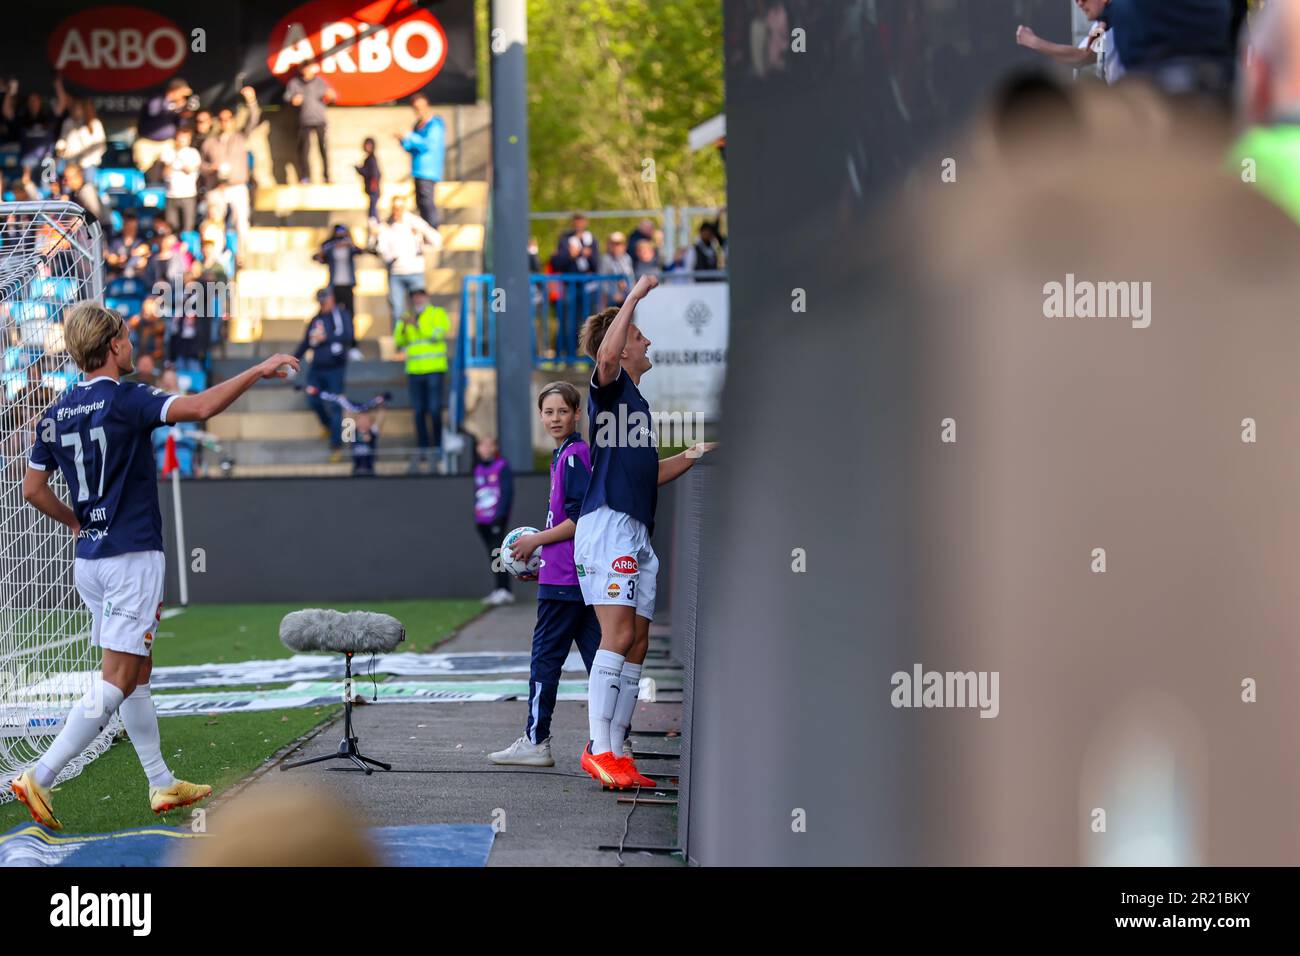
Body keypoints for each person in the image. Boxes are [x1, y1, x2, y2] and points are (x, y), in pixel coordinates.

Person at [10, 301, 299, 830]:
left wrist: (75, 522)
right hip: (131, 557)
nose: (133, 345)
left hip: (91, 560)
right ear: (115, 345)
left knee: (137, 674)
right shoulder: (129, 398)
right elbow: (201, 408)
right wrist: (258, 370)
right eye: (127, 338)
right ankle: (41, 775)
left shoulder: (55, 412)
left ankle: (161, 782)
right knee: (119, 679)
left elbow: (32, 489)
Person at [573, 275, 716, 789]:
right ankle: (599, 748)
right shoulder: (610, 388)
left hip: (633, 527)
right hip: (608, 525)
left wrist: (700, 453)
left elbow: (647, 472)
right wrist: (633, 296)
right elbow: (605, 360)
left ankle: (616, 748)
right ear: (620, 344)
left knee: (636, 642)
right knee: (618, 635)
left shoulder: (635, 403)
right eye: (639, 334)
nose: (647, 341)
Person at [489, 382, 601, 766]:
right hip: (569, 575)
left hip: (567, 581)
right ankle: (614, 741)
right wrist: (541, 563)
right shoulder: (565, 455)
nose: (555, 418)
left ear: (577, 414)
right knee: (600, 662)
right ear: (540, 416)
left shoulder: (574, 456)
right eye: (548, 412)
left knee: (544, 659)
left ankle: (537, 740)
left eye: (563, 411)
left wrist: (536, 542)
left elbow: (579, 520)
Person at [293, 288, 356, 460]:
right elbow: (306, 342)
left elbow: (348, 336)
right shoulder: (316, 319)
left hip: (335, 368)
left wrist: (326, 338)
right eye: (320, 302)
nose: (323, 305)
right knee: (312, 399)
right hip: (317, 368)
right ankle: (328, 425)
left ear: (332, 299)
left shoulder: (341, 315)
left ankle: (336, 445)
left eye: (325, 300)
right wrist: (292, 360)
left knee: (336, 405)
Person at [201, 86, 261, 266]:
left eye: (228, 119)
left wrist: (251, 101)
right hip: (216, 187)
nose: (225, 122)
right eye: (222, 119)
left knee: (241, 221)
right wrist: (211, 168)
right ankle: (214, 257)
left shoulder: (239, 137)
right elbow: (201, 166)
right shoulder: (210, 142)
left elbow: (254, 119)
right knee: (214, 223)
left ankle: (242, 255)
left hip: (236, 185)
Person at [393, 288, 450, 473]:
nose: (417, 300)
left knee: (434, 409)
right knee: (418, 411)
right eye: (415, 298)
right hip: (415, 371)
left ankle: (438, 446)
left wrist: (417, 325)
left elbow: (437, 335)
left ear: (427, 297)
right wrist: (403, 326)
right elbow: (399, 342)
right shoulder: (406, 316)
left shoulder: (437, 313)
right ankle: (424, 448)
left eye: (420, 297)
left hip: (434, 369)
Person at [1016, 0, 1124, 85]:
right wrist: (1035, 43)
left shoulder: (1132, 13)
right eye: (1076, 0)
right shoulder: (1102, 25)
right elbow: (1083, 56)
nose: (1079, 4)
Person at [377, 195, 441, 327]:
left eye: (400, 208)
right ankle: (400, 342)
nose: (397, 211)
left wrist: (422, 239)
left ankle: (422, 337)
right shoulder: (387, 225)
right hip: (396, 273)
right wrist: (391, 256)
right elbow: (381, 249)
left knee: (421, 309)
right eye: (395, 208)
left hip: (415, 270)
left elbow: (436, 239)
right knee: (397, 311)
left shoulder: (414, 222)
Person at [473, 436, 514, 606]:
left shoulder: (502, 466)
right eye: (481, 444)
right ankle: (498, 589)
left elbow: (507, 492)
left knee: (498, 553)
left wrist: (501, 515)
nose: (484, 448)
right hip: (482, 519)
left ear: (494, 447)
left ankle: (504, 589)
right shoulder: (478, 469)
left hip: (496, 518)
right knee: (492, 554)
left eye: (488, 444)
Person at [285, 61, 337, 184]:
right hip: (304, 121)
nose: (306, 72)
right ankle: (305, 177)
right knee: (304, 150)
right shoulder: (295, 83)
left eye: (308, 69)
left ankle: (326, 176)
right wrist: (293, 100)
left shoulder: (319, 82)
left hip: (319, 120)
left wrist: (331, 96)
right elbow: (286, 98)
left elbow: (332, 97)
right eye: (304, 69)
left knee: (323, 149)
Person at [398, 94, 445, 227]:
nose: (419, 111)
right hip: (417, 171)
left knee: (427, 204)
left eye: (421, 107)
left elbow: (427, 145)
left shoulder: (435, 125)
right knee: (421, 205)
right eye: (416, 108)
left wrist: (410, 136)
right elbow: (412, 148)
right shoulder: (417, 126)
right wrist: (403, 140)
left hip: (428, 172)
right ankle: (426, 236)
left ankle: (433, 234)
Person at [135, 77, 195, 182]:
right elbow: (153, 112)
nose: (183, 97)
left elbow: (181, 125)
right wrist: (172, 106)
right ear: (175, 90)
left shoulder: (177, 105)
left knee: (168, 169)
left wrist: (183, 114)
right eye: (182, 93)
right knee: (145, 173)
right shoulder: (158, 98)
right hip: (147, 143)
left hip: (167, 143)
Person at [160, 127, 201, 234]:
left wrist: (179, 161)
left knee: (188, 227)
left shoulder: (193, 153)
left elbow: (190, 170)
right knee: (172, 228)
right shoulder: (169, 152)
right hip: (171, 195)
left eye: (185, 138)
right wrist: (174, 159)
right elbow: (165, 172)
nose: (182, 140)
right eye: (180, 137)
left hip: (188, 195)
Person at [313, 225, 360, 314]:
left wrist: (349, 243)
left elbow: (359, 250)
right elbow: (318, 256)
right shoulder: (330, 247)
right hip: (334, 284)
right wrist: (333, 246)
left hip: (347, 284)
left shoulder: (349, 246)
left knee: (349, 311)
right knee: (333, 310)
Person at [55, 93, 106, 171]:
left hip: (88, 165)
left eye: (79, 108)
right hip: (69, 164)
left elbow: (101, 147)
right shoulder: (68, 122)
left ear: (84, 109)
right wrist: (60, 150)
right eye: (74, 108)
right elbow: (62, 140)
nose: (76, 111)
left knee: (89, 180)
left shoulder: (94, 123)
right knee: (53, 170)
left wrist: (83, 161)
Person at [60, 164, 111, 230]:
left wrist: (79, 221)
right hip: (89, 232)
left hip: (101, 231)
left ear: (78, 177)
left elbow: (96, 214)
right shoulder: (74, 194)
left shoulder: (87, 190)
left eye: (67, 178)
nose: (64, 182)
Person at [355, 137, 382, 244]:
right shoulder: (369, 159)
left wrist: (359, 169)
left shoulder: (371, 159)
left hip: (373, 191)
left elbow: (374, 174)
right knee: (372, 214)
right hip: (372, 191)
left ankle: (374, 238)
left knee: (373, 216)